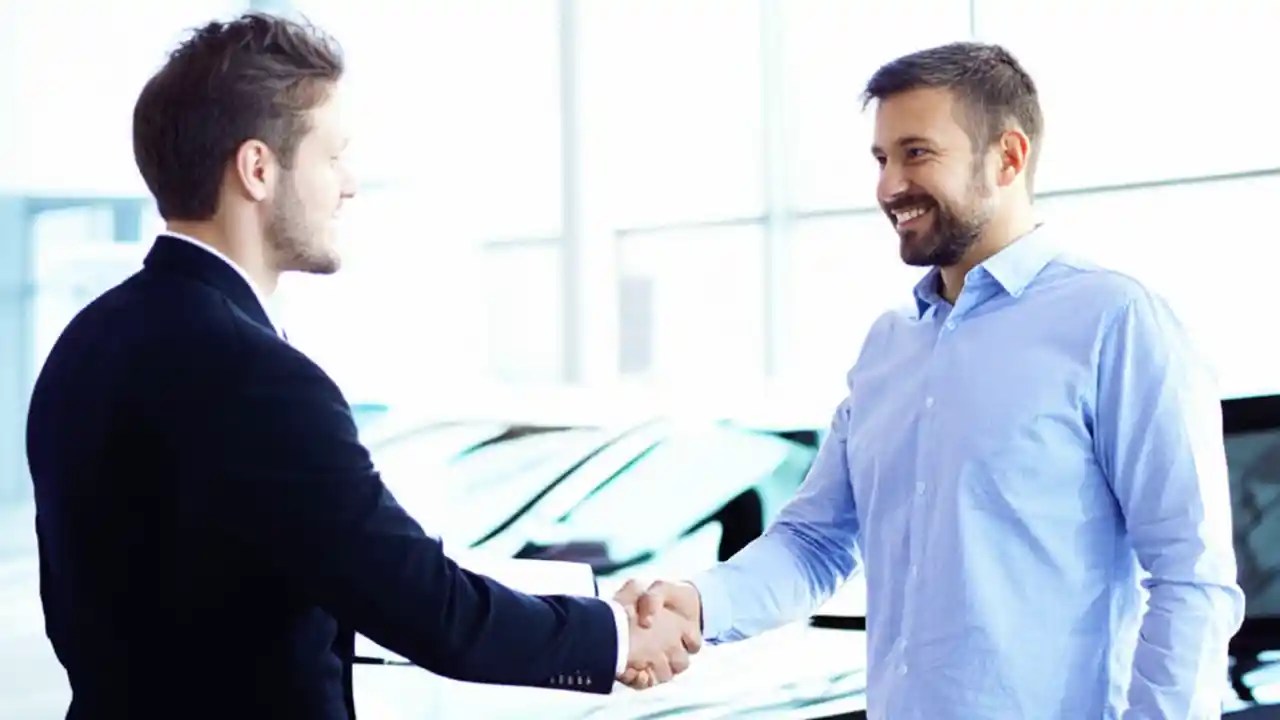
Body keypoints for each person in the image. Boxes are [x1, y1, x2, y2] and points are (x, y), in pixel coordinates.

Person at [25, 12, 697, 720]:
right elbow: (423, 604)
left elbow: (307, 566)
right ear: (258, 169)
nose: (348, 185)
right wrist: (616, 636)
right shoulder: (254, 375)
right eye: (332, 156)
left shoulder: (86, 344)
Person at [617, 41, 1245, 718]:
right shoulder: (891, 345)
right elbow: (815, 541)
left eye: (917, 153)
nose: (889, 187)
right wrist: (699, 603)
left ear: (1007, 157)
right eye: (882, 159)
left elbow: (1190, 575)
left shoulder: (1113, 322)